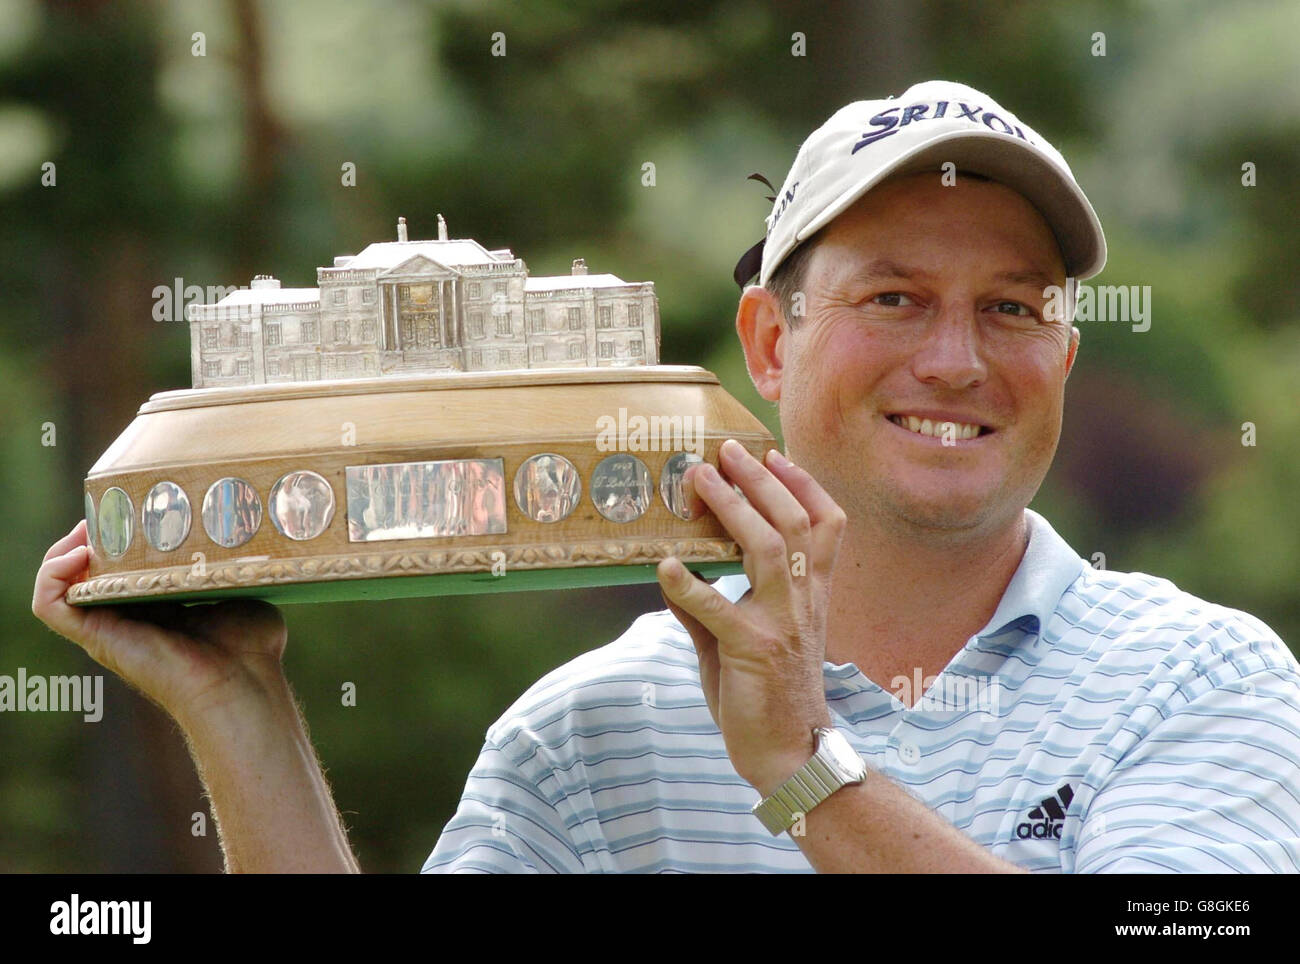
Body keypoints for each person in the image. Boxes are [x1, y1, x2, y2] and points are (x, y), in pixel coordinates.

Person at [33, 80, 1300, 873]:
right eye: (894, 296)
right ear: (766, 342)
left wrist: (803, 769)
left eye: (1012, 308)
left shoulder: (1202, 680)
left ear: (1064, 355)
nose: (957, 359)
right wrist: (239, 713)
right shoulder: (585, 732)